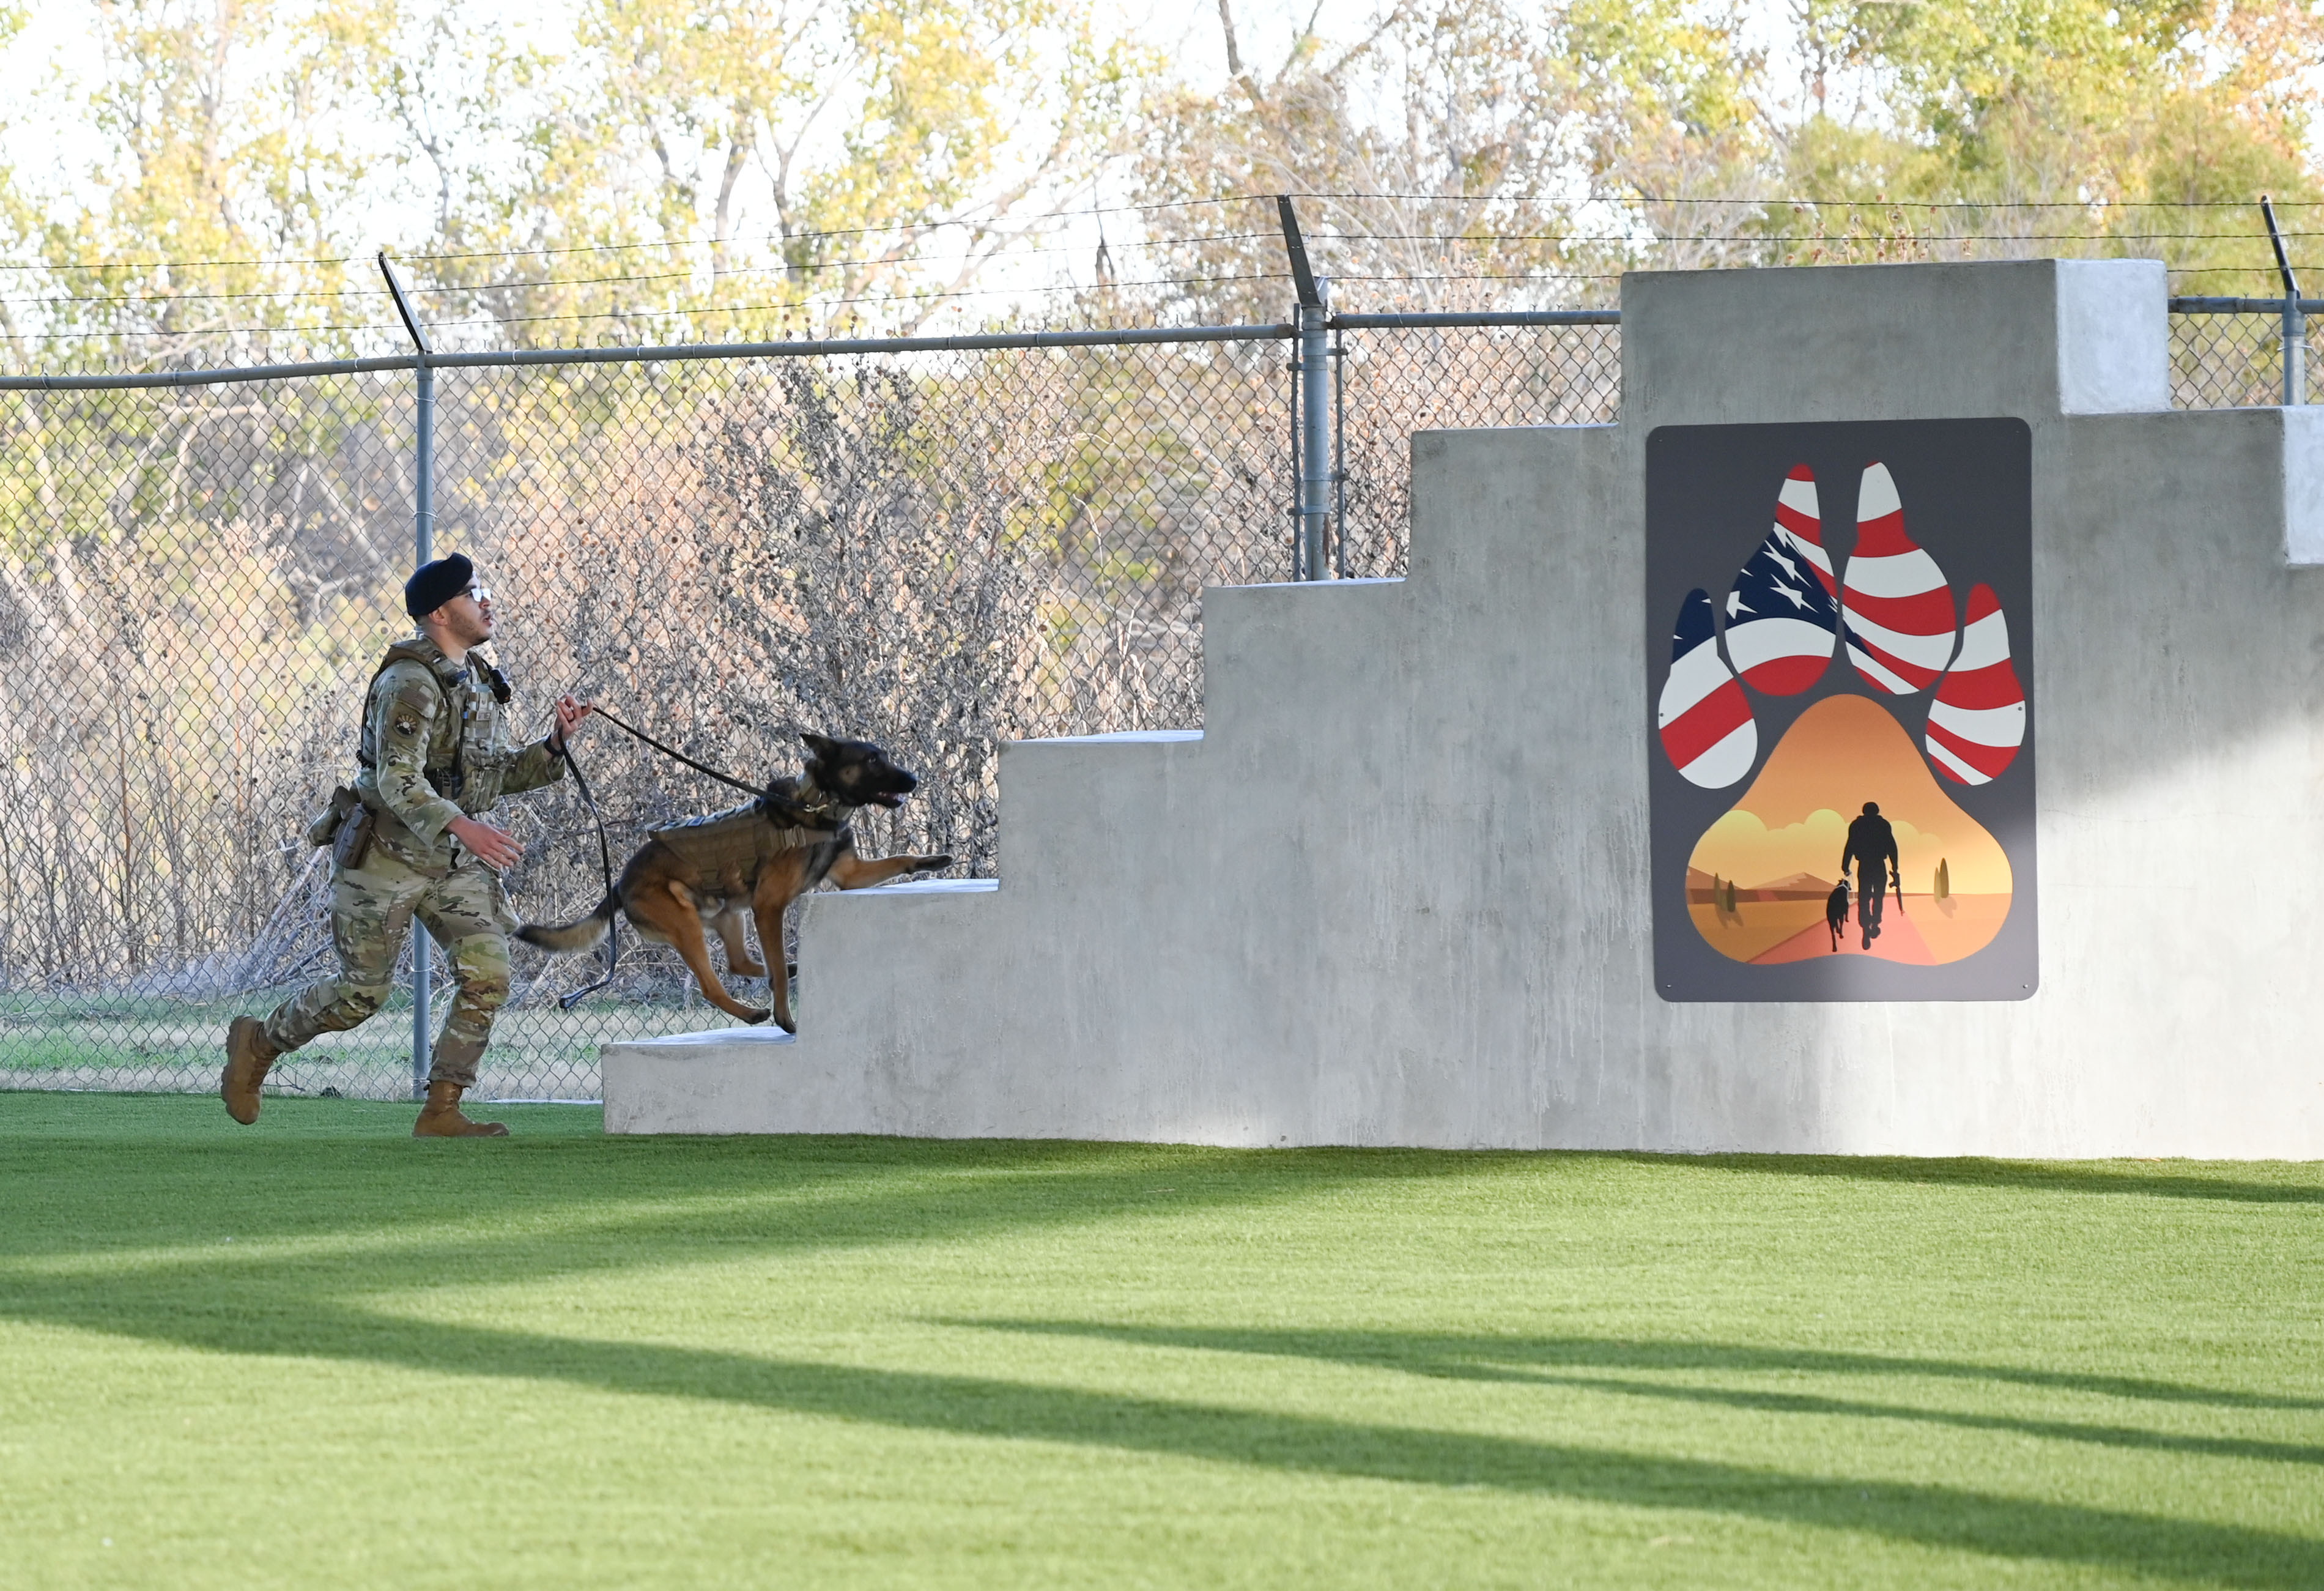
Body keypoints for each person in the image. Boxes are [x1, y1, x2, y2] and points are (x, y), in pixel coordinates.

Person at [221, 555, 593, 1136]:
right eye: (475, 594)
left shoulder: (475, 678)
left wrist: (555, 744)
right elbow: (397, 780)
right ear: (441, 612)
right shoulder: (409, 682)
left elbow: (492, 776)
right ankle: (259, 1044)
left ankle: (441, 1109)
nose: (488, 602)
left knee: (489, 972)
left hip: (447, 861)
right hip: (384, 856)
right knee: (360, 996)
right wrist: (463, 826)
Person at [1839, 800, 1901, 950]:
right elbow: (1892, 847)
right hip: (1879, 865)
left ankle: (1866, 924)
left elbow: (1850, 846)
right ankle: (1875, 921)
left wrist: (1845, 865)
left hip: (1865, 866)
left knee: (1865, 896)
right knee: (1879, 895)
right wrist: (1895, 866)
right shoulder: (1883, 825)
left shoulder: (1857, 826)